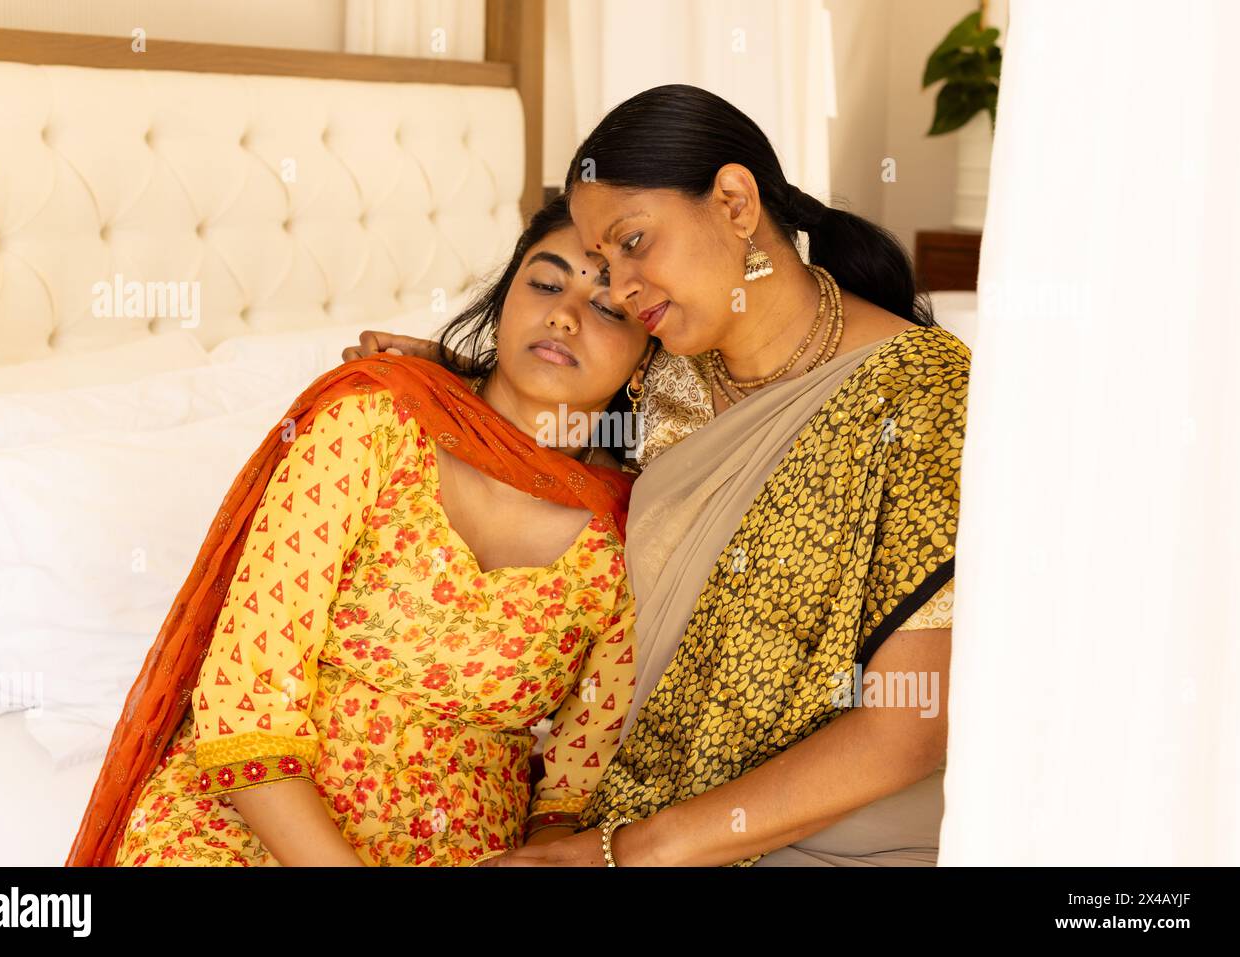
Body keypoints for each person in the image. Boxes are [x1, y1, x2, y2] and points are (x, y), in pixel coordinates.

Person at [345, 84, 969, 867]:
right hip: (636, 814)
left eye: (633, 242)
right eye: (602, 262)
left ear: (735, 202)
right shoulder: (665, 379)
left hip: (824, 834)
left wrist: (619, 853)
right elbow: (559, 431)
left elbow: (908, 728)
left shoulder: (925, 395)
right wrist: (456, 378)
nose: (619, 287)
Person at [66, 195, 651, 866]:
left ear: (646, 357)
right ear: (503, 304)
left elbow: (569, 793)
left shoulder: (625, 535)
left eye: (608, 308)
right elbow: (247, 700)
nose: (562, 313)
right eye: (544, 283)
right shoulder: (372, 421)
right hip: (246, 818)